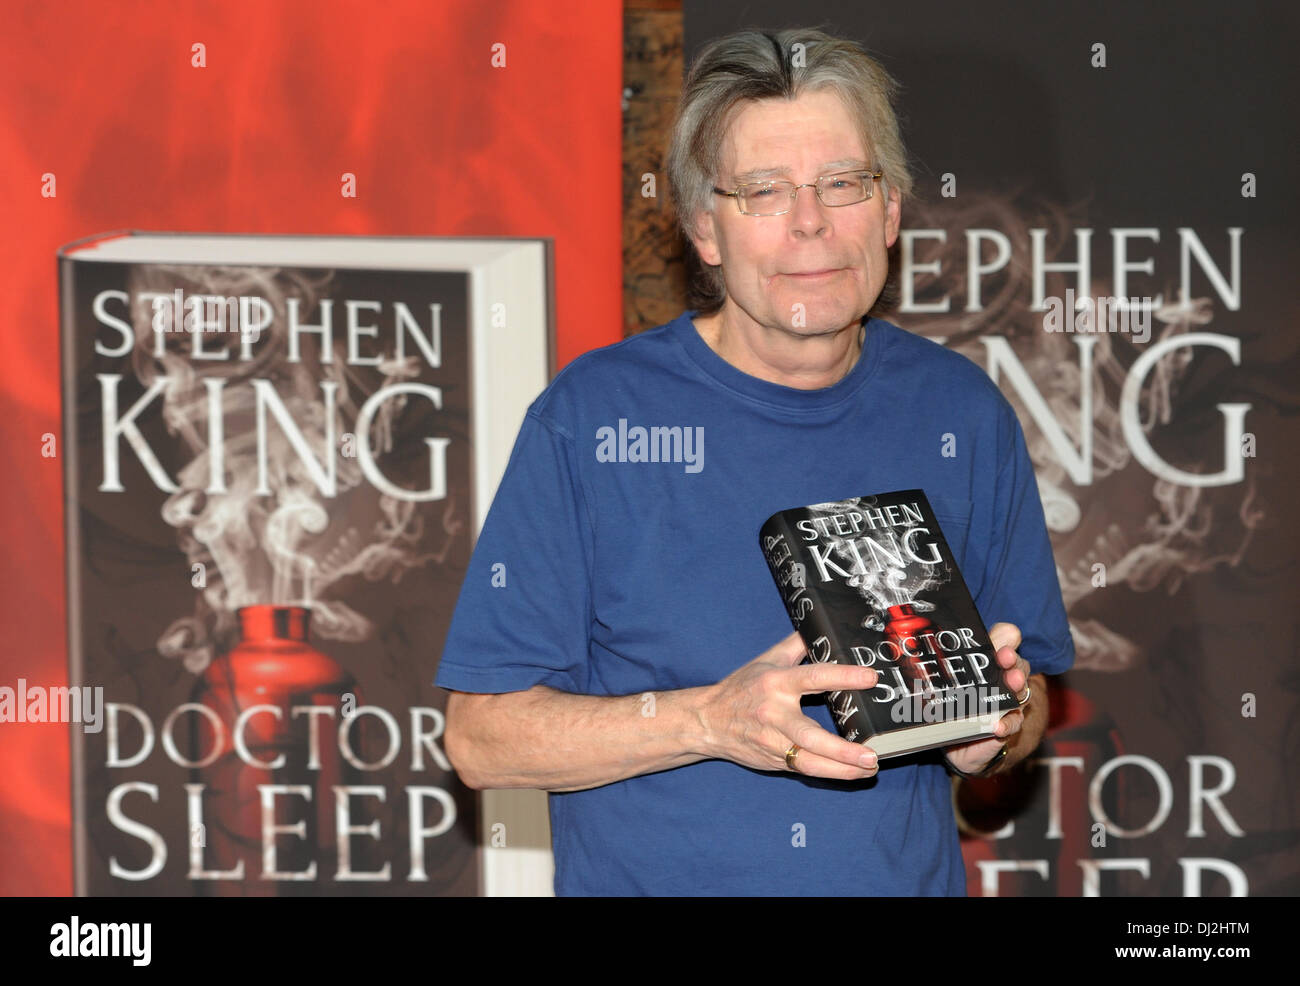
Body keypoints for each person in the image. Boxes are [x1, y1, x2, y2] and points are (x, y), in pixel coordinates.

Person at [434, 27, 1073, 896]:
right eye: (764, 192)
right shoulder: (593, 419)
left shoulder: (963, 413)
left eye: (844, 184)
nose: (811, 222)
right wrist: (709, 720)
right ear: (705, 229)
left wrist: (992, 728)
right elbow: (479, 740)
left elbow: (1027, 703)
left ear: (890, 211)